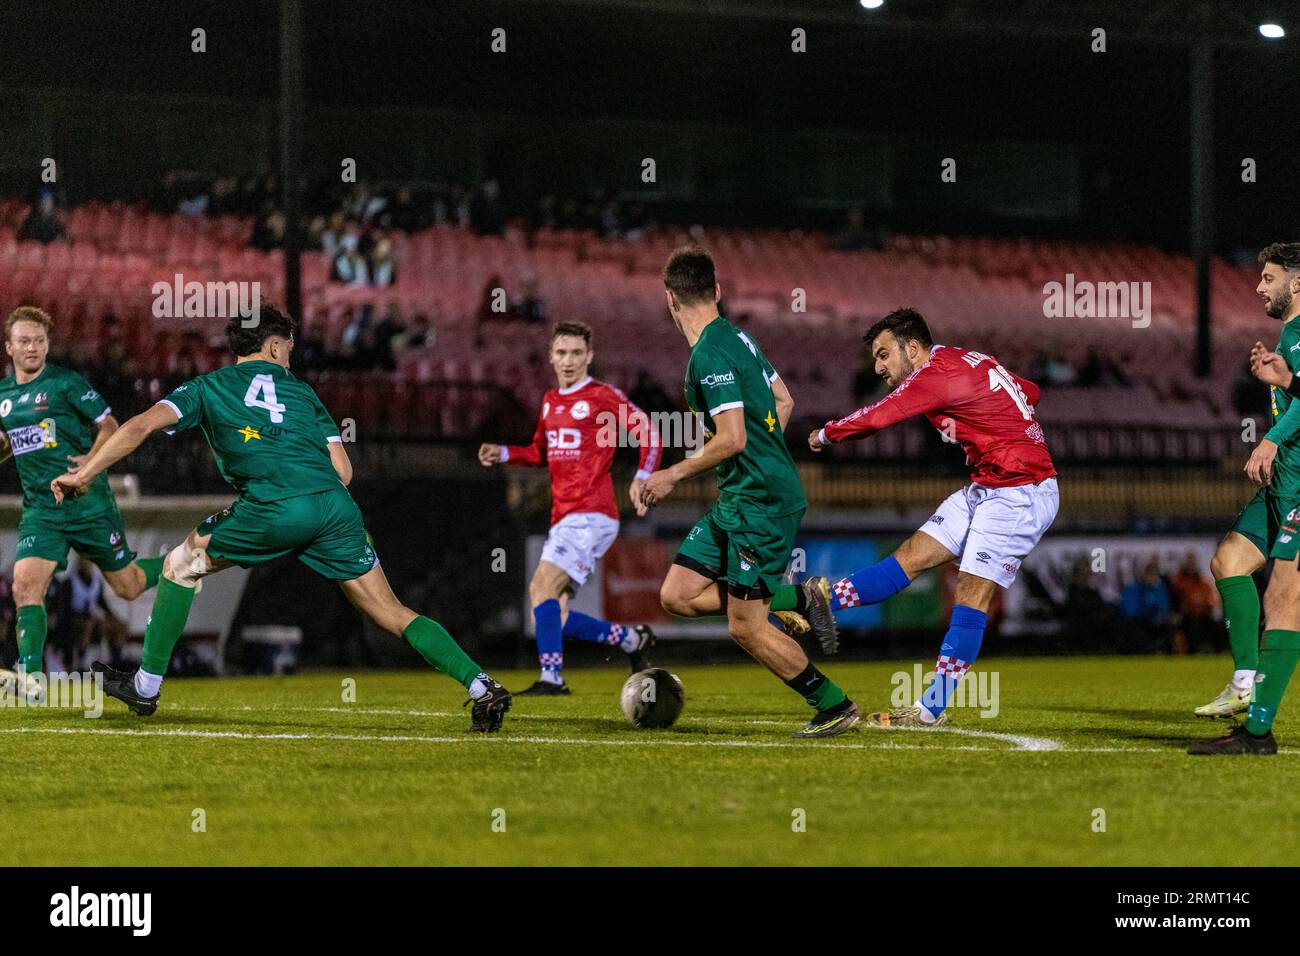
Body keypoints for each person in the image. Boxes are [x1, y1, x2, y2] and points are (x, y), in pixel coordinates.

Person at [51, 305, 512, 732]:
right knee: (391, 612)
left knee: (179, 565)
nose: (290, 354)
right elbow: (343, 471)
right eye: (289, 346)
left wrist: (85, 473)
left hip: (274, 506)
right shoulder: (303, 392)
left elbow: (137, 428)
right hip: (334, 507)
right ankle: (481, 685)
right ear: (274, 346)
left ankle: (146, 687)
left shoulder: (206, 387)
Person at [641, 244, 858, 739]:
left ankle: (834, 704)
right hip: (741, 496)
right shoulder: (739, 337)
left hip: (758, 502)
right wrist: (763, 458)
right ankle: (801, 598)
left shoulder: (709, 354)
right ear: (715, 291)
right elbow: (785, 398)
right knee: (677, 594)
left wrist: (674, 474)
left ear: (670, 299)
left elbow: (734, 437)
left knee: (745, 626)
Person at [805, 307, 1059, 728]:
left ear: (914, 348)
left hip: (1020, 490)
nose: (878, 366)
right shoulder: (965, 358)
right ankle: (822, 601)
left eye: (884, 354)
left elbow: (879, 416)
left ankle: (930, 710)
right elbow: (1031, 391)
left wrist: (826, 433)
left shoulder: (933, 374)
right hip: (988, 485)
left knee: (971, 591)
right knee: (910, 557)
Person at [479, 320, 659, 695]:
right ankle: (630, 640)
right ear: (550, 357)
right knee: (552, 615)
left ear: (589, 356)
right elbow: (541, 453)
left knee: (540, 586)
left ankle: (551, 679)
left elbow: (650, 433)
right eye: (561, 352)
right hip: (565, 516)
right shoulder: (550, 401)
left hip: (592, 513)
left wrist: (642, 476)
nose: (568, 360)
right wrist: (507, 453)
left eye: (577, 353)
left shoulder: (603, 397)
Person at [0, 307, 165, 696]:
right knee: (25, 584)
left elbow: (108, 426)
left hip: (89, 503)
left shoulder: (66, 383)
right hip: (42, 508)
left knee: (128, 586)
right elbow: (12, 443)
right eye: (24, 341)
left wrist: (90, 462)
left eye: (39, 340)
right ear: (9, 347)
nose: (33, 347)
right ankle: (30, 677)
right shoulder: (3, 397)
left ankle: (181, 565)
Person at [1190, 242, 1300, 754]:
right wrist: (1280, 381)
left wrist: (1273, 438)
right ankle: (1244, 680)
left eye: (1269, 277)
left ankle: (1257, 732)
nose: (1260, 286)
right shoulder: (1290, 336)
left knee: (1283, 605)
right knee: (1229, 561)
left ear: (1296, 284)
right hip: (1282, 484)